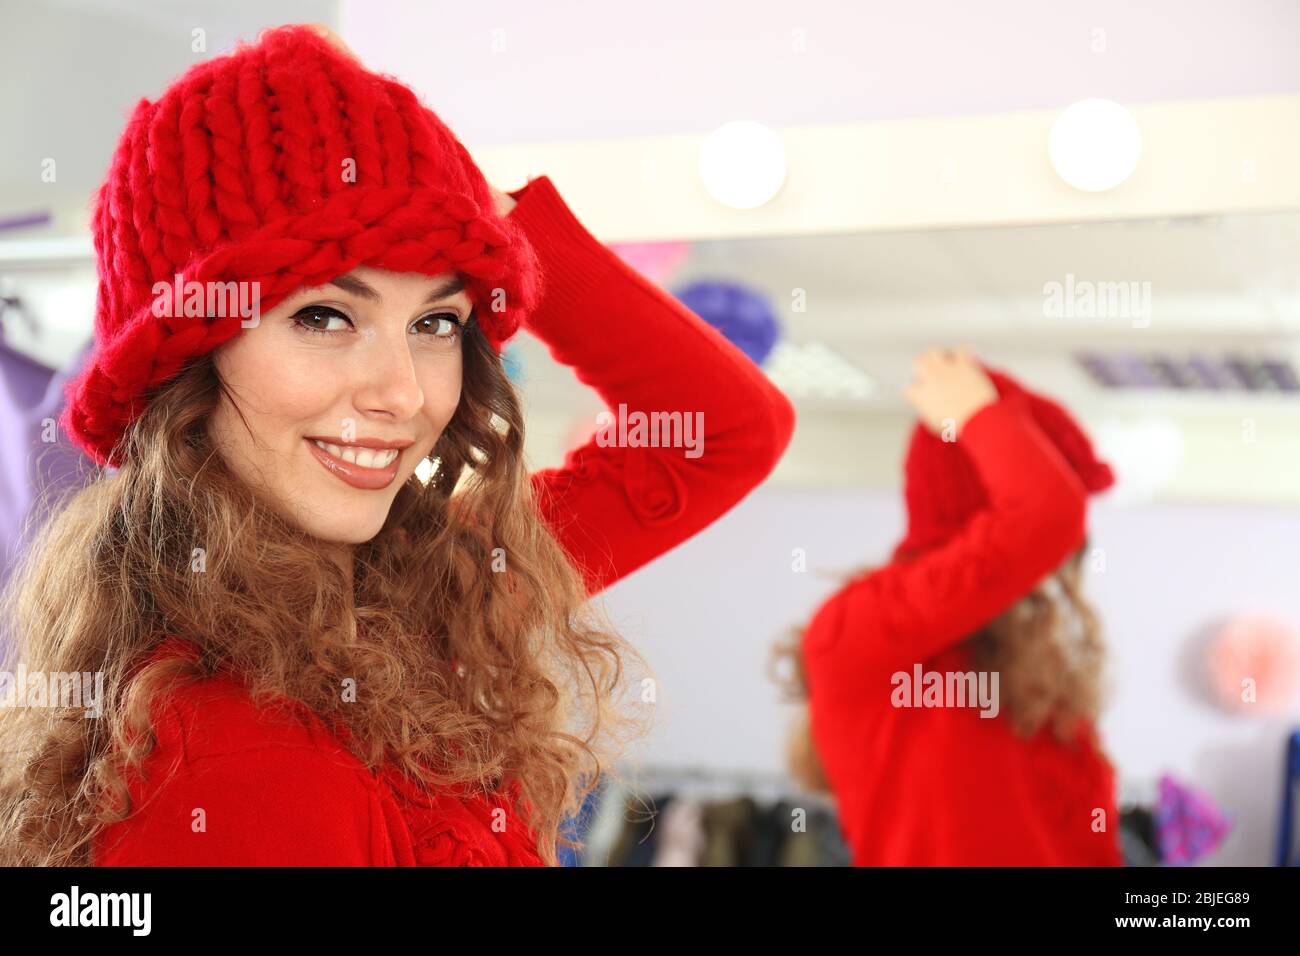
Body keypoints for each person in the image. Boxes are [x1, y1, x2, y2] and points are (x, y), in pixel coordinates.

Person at [0, 24, 794, 867]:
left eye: (436, 321)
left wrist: (506, 224)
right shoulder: (240, 757)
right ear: (183, 363)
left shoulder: (426, 602)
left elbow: (718, 433)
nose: (405, 394)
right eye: (324, 316)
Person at [777, 347, 1122, 865]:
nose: (1054, 563)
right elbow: (1044, 517)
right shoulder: (857, 628)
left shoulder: (1026, 665)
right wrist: (974, 415)